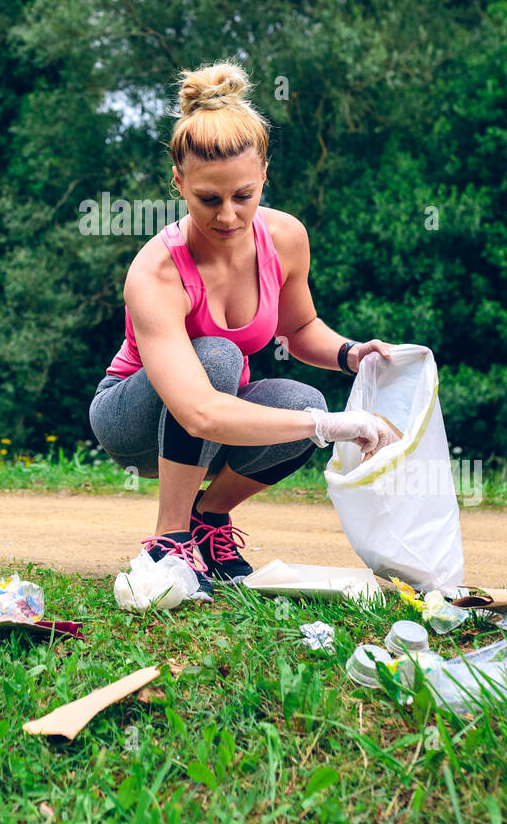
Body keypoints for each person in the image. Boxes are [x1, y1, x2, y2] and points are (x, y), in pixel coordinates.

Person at [88, 61, 397, 600]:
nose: (229, 215)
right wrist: (330, 427)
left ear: (264, 178)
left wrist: (352, 355)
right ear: (179, 181)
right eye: (209, 199)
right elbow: (199, 410)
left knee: (302, 396)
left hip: (212, 416)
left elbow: (299, 328)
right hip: (133, 423)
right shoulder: (156, 271)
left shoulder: (285, 238)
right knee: (220, 358)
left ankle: (210, 520)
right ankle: (168, 541)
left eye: (244, 195)